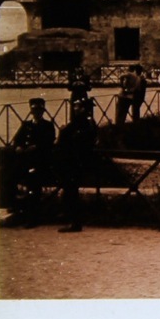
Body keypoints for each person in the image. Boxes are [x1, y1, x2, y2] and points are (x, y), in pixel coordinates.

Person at [7, 97, 57, 222]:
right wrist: (18, 147)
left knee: (33, 181)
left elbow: (48, 143)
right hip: (25, 159)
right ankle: (15, 204)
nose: (36, 112)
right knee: (7, 175)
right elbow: (17, 139)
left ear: (43, 111)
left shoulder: (48, 125)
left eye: (39, 110)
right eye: (34, 110)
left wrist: (36, 147)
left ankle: (32, 214)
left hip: (40, 161)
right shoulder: (26, 125)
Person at [55, 96, 98, 232]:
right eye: (74, 106)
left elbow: (80, 141)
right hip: (74, 162)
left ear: (84, 109)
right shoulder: (80, 123)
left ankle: (74, 221)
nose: (74, 109)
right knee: (69, 190)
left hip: (78, 163)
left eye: (77, 106)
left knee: (71, 190)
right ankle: (71, 218)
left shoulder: (84, 124)